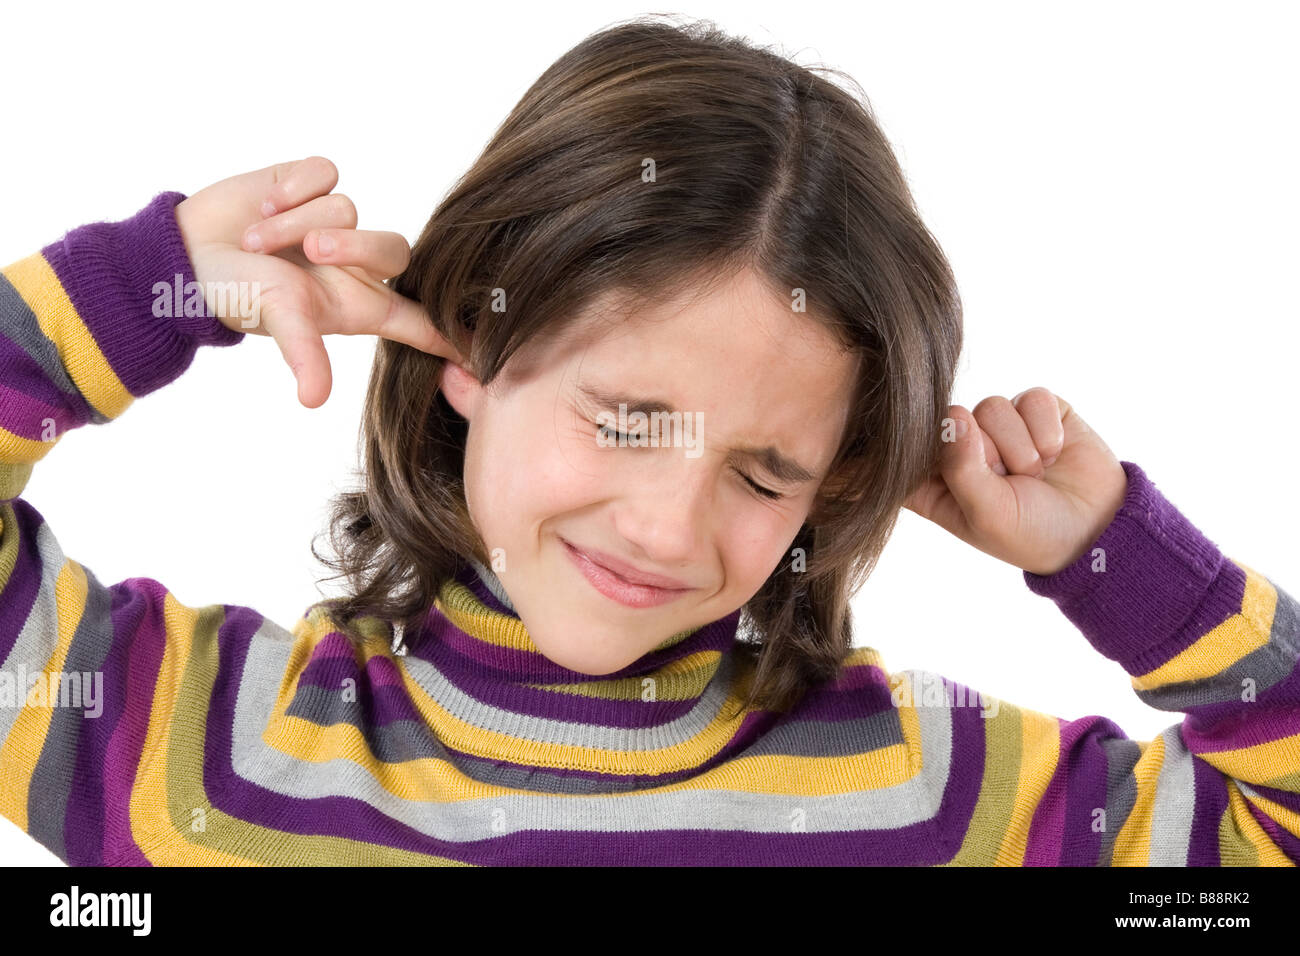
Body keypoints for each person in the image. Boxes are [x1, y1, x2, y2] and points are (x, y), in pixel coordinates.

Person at [0, 18, 1295, 866]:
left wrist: (1112, 557)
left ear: (836, 484)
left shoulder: (926, 792)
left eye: (765, 472)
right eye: (625, 420)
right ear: (473, 347)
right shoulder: (212, 753)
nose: (669, 528)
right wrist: (152, 284)